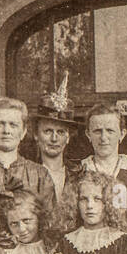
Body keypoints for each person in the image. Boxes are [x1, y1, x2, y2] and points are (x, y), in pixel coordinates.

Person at [0, 98, 53, 234]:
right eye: (0, 124)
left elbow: (49, 221)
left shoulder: (40, 174)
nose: (6, 130)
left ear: (24, 132)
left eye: (13, 125)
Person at [31, 78, 80, 222]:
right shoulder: (26, 173)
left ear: (68, 138)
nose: (54, 139)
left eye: (60, 132)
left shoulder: (79, 174)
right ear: (35, 135)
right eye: (47, 131)